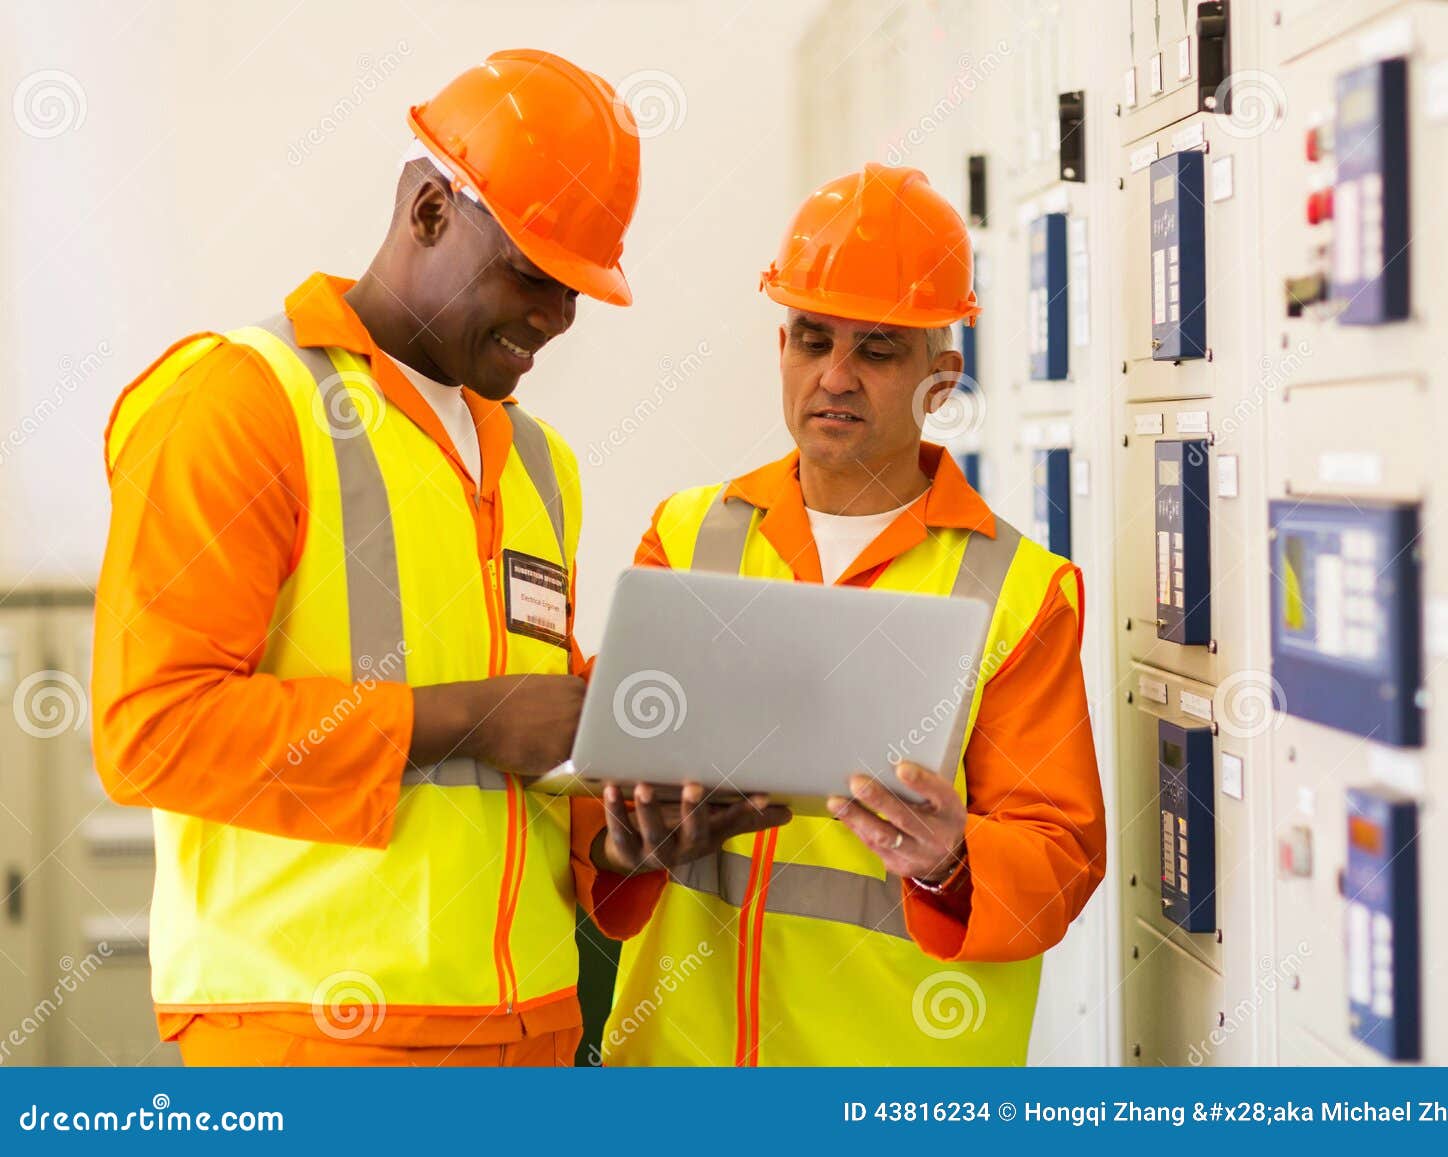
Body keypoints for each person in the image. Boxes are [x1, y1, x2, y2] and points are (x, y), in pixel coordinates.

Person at [91, 49, 786, 1068]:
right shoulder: (242, 404)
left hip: (532, 1028)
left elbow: (520, 777)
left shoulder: (539, 464)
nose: (555, 318)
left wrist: (624, 834)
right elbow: (149, 730)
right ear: (426, 208)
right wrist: (468, 713)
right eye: (532, 274)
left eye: (577, 290)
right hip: (312, 1039)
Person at [602, 164, 1106, 1066]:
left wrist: (953, 858)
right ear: (781, 347)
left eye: (877, 348)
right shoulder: (684, 537)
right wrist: (619, 837)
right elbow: (602, 811)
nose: (834, 375)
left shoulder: (1018, 588)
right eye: (810, 338)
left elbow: (1057, 866)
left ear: (940, 381)